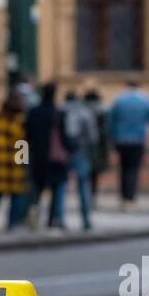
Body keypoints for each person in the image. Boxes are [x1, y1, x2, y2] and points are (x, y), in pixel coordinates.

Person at [108, 79, 149, 209]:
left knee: (123, 168)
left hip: (121, 140)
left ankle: (123, 197)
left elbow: (111, 120)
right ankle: (131, 197)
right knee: (133, 169)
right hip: (137, 139)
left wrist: (112, 138)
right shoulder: (145, 100)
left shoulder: (119, 100)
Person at [25, 82, 68, 229]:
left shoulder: (32, 112)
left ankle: (33, 219)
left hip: (37, 158)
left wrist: (21, 159)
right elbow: (64, 138)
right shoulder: (58, 113)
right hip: (55, 159)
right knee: (57, 191)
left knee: (36, 191)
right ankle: (54, 219)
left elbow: (24, 138)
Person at [0, 94, 29, 231]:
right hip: (16, 162)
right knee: (16, 194)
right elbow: (23, 143)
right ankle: (11, 223)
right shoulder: (20, 121)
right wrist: (24, 162)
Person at [62, 89, 98, 231]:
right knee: (83, 186)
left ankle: (59, 218)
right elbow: (93, 136)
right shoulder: (85, 112)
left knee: (62, 186)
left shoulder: (60, 110)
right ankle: (85, 220)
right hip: (81, 151)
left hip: (63, 153)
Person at [83, 87, 110, 198]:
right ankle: (93, 193)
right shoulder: (103, 109)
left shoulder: (83, 110)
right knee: (95, 171)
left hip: (85, 145)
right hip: (99, 145)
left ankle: (87, 193)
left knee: (86, 170)